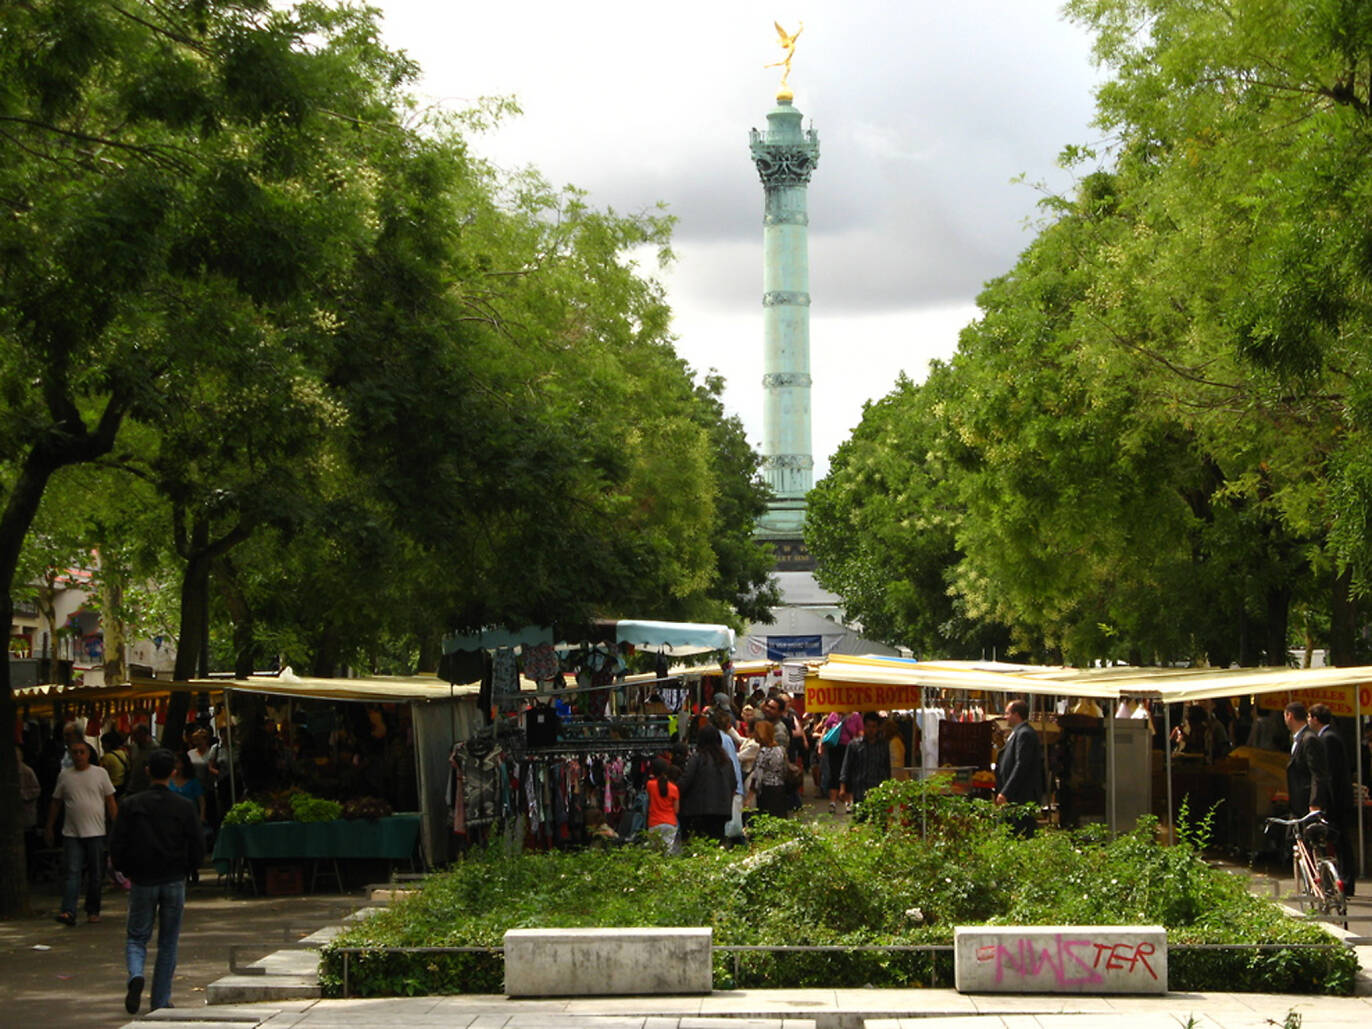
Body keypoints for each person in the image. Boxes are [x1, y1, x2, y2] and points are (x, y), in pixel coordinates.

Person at [111, 748, 204, 1015]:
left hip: (142, 879)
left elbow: (117, 843)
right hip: (173, 878)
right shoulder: (183, 806)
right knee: (168, 941)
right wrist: (190, 868)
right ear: (173, 772)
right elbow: (197, 843)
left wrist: (125, 869)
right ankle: (160, 999)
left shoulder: (131, 805)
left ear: (147, 771)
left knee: (136, 936)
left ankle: (136, 974)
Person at [45, 739, 118, 925]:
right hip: (72, 833)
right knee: (72, 872)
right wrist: (49, 826)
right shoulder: (65, 775)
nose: (78, 756)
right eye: (75, 752)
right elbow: (56, 802)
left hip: (96, 831)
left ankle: (93, 910)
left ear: (88, 754)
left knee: (96, 873)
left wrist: (117, 825)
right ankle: (68, 910)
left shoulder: (100, 773)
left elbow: (110, 801)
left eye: (81, 752)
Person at [1309, 703, 1356, 895]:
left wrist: (1324, 801)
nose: (1308, 720)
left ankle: (1346, 881)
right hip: (1338, 798)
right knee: (1340, 841)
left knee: (1341, 841)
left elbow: (1329, 774)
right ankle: (1343, 880)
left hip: (1336, 800)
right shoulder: (1330, 736)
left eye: (1309, 717)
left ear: (1315, 719)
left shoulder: (1327, 739)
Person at [678, 724, 737, 842]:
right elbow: (733, 783)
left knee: (699, 842)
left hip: (697, 809)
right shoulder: (727, 761)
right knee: (716, 841)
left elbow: (686, 780)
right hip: (721, 810)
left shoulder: (697, 758)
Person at [995, 699, 1043, 838]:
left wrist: (1006, 792)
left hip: (1021, 796)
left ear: (1016, 715)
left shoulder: (1024, 734)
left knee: (1020, 832)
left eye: (1007, 713)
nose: (1005, 717)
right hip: (1015, 795)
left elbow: (1021, 765)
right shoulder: (1017, 733)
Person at [1284, 701, 1331, 819]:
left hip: (1307, 803)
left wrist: (1315, 802)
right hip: (1298, 803)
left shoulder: (1309, 739)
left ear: (1289, 715)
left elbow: (1318, 773)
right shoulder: (1298, 738)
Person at [839, 712, 893, 809]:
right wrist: (842, 788)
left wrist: (889, 788)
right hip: (859, 792)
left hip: (878, 792)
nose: (871, 730)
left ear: (878, 728)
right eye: (868, 726)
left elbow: (887, 768)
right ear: (863, 726)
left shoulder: (883, 746)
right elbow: (846, 767)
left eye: (874, 726)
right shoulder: (854, 745)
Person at [748, 719, 790, 818]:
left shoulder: (763, 752)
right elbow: (784, 769)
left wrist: (751, 794)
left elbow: (758, 775)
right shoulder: (780, 750)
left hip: (766, 790)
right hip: (779, 787)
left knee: (766, 817)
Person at [645, 757, 680, 851]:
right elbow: (676, 810)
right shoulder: (674, 788)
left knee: (654, 853)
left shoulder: (650, 785)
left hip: (654, 822)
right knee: (667, 852)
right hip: (670, 822)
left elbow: (649, 799)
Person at [124, 723, 156, 795]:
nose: (133, 737)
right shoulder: (134, 747)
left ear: (143, 734)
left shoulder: (154, 749)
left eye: (135, 734)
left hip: (147, 789)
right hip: (133, 787)